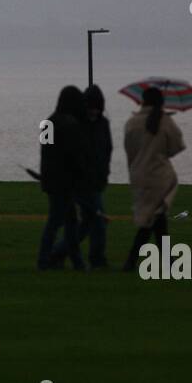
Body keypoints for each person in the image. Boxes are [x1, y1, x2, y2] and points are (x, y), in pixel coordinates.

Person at [49, 84, 114, 268]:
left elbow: (107, 149)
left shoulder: (103, 124)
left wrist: (104, 173)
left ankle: (58, 252)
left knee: (87, 222)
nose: (94, 110)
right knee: (97, 220)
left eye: (97, 107)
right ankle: (96, 258)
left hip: (96, 180)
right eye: (90, 107)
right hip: (81, 181)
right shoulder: (76, 125)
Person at [121, 87, 185, 271]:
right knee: (154, 218)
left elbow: (129, 150)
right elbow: (176, 147)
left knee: (154, 218)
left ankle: (161, 261)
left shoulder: (132, 123)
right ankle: (135, 260)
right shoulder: (166, 122)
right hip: (160, 177)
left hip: (139, 175)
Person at [36, 85, 87, 271]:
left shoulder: (48, 123)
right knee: (58, 222)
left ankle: (73, 261)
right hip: (65, 181)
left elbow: (46, 153)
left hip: (51, 179)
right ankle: (47, 260)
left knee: (66, 221)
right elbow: (74, 155)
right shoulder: (71, 125)